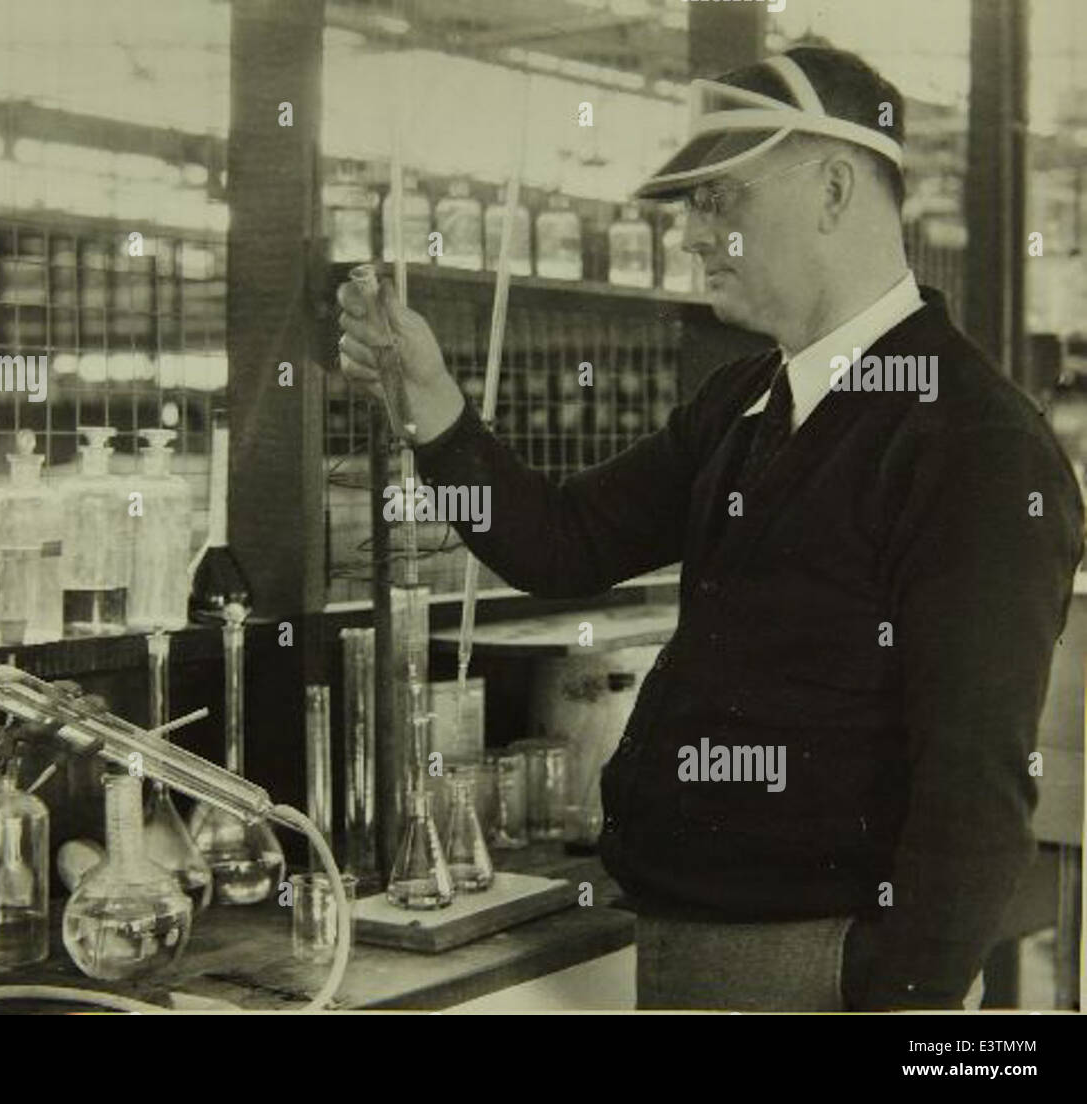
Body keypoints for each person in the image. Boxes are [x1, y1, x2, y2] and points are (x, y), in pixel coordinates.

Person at [337, 45, 1085, 1011]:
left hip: (827, 966)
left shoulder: (975, 443)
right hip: (690, 938)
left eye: (719, 200)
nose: (691, 235)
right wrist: (433, 405)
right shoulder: (746, 401)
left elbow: (976, 789)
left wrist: (905, 1005)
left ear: (832, 188)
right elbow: (560, 544)